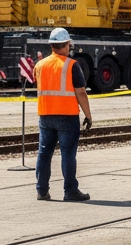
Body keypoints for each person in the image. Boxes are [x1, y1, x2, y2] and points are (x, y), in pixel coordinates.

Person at [34, 27, 92, 202]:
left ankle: (42, 191)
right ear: (67, 44)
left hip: (45, 116)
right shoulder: (71, 65)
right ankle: (70, 191)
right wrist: (88, 116)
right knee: (67, 153)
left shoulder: (40, 65)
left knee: (44, 153)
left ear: (51, 45)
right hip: (67, 116)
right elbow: (80, 92)